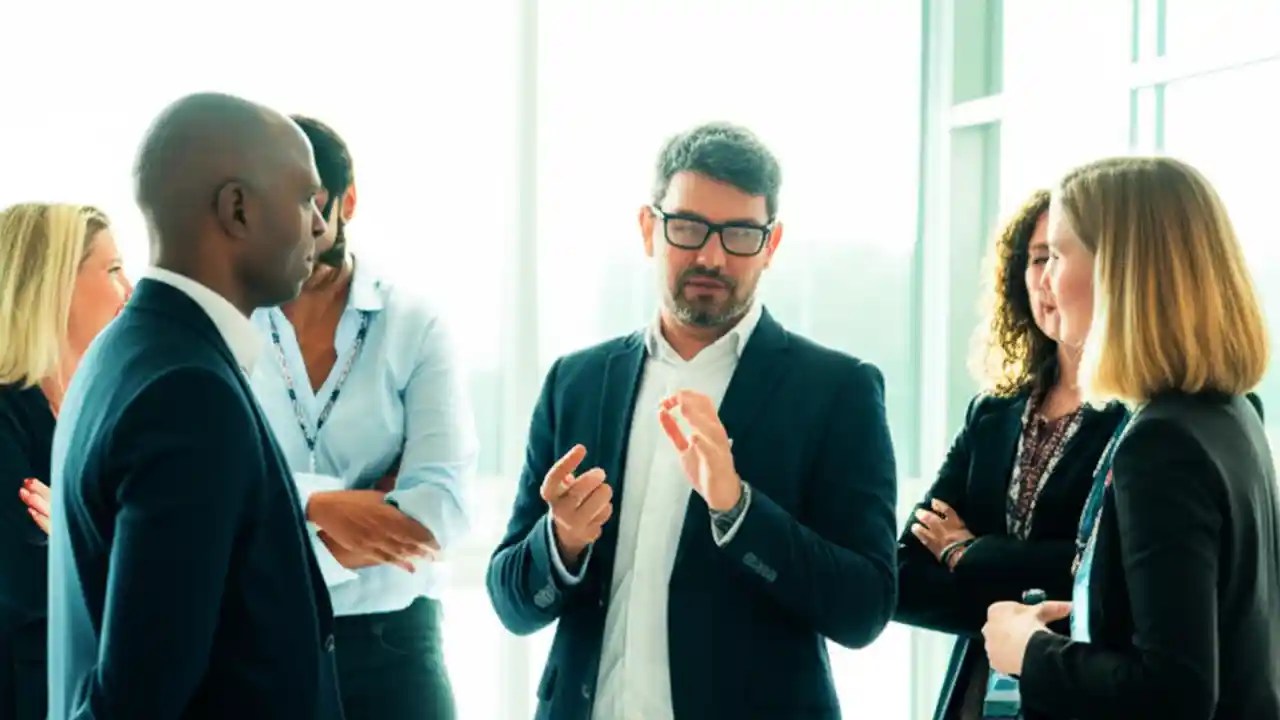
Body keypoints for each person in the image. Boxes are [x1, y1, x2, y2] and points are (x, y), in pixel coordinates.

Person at [486, 122, 898, 720]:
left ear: (772, 244)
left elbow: (864, 609)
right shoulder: (575, 382)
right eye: (688, 227)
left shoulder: (838, 390)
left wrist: (738, 507)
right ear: (649, 229)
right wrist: (563, 542)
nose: (711, 255)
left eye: (739, 234)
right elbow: (511, 603)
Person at [45, 92, 343, 720]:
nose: (320, 225)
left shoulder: (123, 352)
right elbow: (137, 702)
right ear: (237, 208)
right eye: (305, 200)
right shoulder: (189, 392)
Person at [982, 156, 1280, 719]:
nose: (1044, 280)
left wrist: (1030, 651)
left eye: (1060, 255)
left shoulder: (1160, 444)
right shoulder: (1230, 416)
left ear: (1121, 271)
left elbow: (1174, 692)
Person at [251, 114, 477, 719]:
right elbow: (208, 496)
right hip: (257, 645)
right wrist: (326, 508)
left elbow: (442, 509)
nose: (297, 223)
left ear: (347, 200)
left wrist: (267, 535)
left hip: (392, 648)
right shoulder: (230, 325)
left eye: (313, 202)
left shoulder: (415, 324)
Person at [895, 189, 1126, 720]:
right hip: (975, 693)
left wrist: (969, 555)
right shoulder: (993, 411)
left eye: (1060, 257)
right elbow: (906, 574)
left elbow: (1100, 578)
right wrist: (1024, 597)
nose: (1046, 277)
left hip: (1086, 694)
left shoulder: (1138, 417)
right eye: (1037, 257)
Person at [0, 204, 131, 720]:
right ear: (54, 285)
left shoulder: (106, 412)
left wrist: (77, 532)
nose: (132, 288)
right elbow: (28, 590)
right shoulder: (7, 419)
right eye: (114, 269)